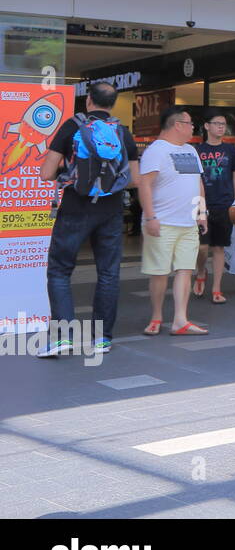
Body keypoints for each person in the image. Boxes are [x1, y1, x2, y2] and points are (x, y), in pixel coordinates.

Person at [38, 81, 140, 357]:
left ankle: (62, 338)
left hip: (74, 207)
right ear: (113, 104)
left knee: (59, 271)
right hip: (110, 210)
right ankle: (103, 338)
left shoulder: (72, 127)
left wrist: (70, 168)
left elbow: (46, 174)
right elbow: (134, 179)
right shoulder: (122, 132)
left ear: (88, 102)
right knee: (108, 273)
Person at [138, 107, 209, 336]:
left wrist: (201, 212)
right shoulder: (156, 151)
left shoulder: (190, 150)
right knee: (159, 273)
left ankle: (181, 319)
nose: (192, 129)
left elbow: (198, 183)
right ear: (178, 124)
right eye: (190, 124)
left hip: (187, 223)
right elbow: (145, 185)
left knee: (185, 270)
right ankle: (156, 317)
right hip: (162, 221)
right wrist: (150, 217)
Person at [194, 110, 235, 304]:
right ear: (207, 126)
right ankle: (201, 271)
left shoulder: (230, 150)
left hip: (224, 203)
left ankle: (216, 289)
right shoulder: (196, 150)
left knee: (219, 247)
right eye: (217, 123)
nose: (221, 127)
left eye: (224, 124)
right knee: (202, 247)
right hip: (201, 204)